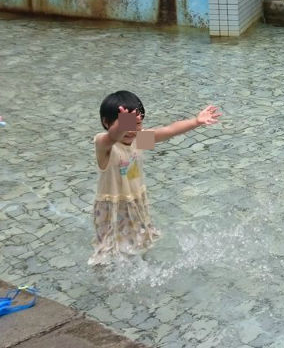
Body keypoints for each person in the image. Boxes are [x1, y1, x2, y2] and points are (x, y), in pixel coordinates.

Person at [90, 91, 221, 265]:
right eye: (124, 124)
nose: (131, 129)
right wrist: (123, 125)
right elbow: (112, 136)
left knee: (139, 245)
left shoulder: (139, 140)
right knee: (107, 253)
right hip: (112, 209)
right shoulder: (106, 146)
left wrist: (195, 121)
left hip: (135, 201)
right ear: (106, 123)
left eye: (136, 123)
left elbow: (168, 131)